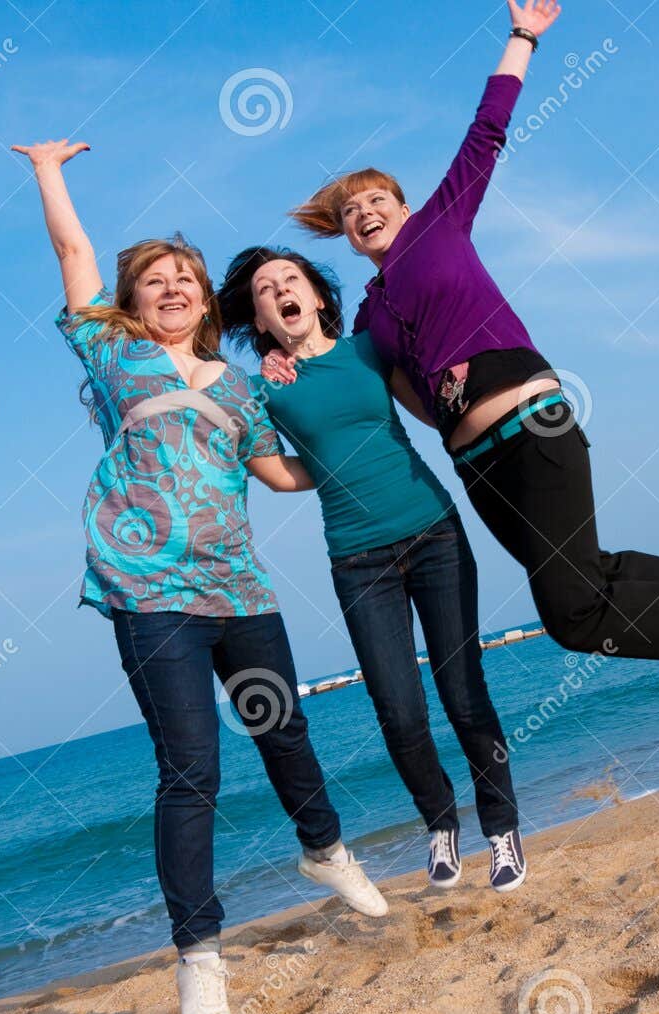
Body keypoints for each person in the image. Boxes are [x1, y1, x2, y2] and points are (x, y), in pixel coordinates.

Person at [271, 0, 659, 693]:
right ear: (346, 236)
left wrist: (523, 37)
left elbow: (487, 129)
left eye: (377, 198)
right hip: (476, 464)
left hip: (532, 424)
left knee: (569, 612)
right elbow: (354, 380)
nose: (365, 212)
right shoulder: (366, 315)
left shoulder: (439, 225)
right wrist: (283, 361)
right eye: (351, 213)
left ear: (405, 207)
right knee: (587, 578)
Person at [12, 138, 386, 1014]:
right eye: (156, 279)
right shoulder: (114, 356)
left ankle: (326, 851)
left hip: (240, 592)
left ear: (203, 297)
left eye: (187, 276)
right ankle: (200, 956)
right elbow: (72, 257)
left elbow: (280, 474)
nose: (174, 286)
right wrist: (48, 173)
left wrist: (356, 442)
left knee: (284, 733)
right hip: (149, 596)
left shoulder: (243, 384)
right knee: (191, 771)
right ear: (133, 302)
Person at [220, 245, 528, 893]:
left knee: (464, 693)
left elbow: (432, 402)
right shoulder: (266, 391)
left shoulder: (368, 349)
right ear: (262, 323)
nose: (280, 291)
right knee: (398, 709)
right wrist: (333, 470)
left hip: (434, 533)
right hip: (358, 561)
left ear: (318, 295)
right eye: (265, 292)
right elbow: (277, 474)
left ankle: (501, 827)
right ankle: (440, 821)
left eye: (290, 280)